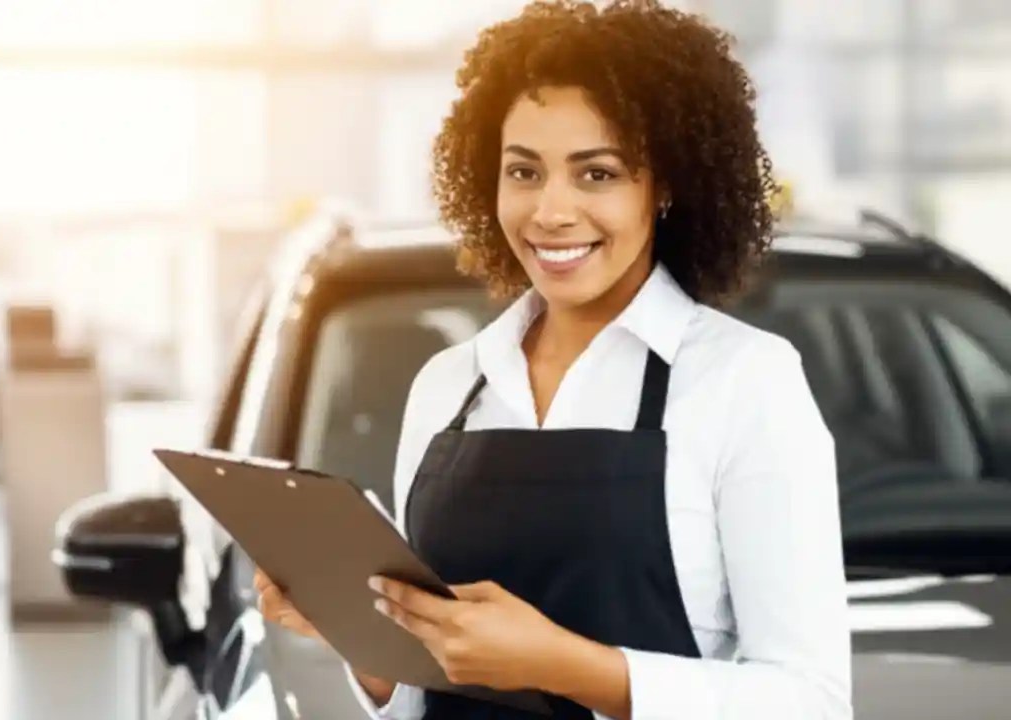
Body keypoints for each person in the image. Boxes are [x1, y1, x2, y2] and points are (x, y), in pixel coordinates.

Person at [255, 1, 852, 718]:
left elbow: (810, 702)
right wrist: (360, 639)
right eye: (524, 172)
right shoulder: (449, 388)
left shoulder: (743, 381)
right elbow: (427, 696)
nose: (551, 211)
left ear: (663, 186)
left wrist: (562, 665)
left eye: (596, 174)